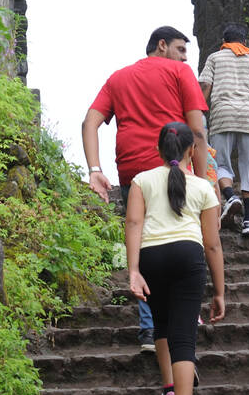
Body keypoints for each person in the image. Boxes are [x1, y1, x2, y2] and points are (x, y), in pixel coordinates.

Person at [83, 26, 210, 354]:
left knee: (144, 237)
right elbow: (196, 129)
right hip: (175, 168)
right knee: (182, 234)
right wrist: (203, 177)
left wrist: (95, 170)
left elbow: (89, 122)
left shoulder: (118, 78)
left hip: (133, 171)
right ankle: (181, 315)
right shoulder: (180, 73)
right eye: (181, 49)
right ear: (162, 45)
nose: (185, 57)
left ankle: (150, 327)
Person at [126, 122, 226, 395]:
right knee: (184, 339)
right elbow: (212, 243)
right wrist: (220, 291)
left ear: (158, 150)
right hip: (188, 256)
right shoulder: (203, 187)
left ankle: (168, 392)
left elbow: (133, 223)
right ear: (192, 151)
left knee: (161, 326)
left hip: (152, 257)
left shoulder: (141, 180)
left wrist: (133, 270)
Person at [199, 23, 249, 237]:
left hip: (222, 117)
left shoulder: (215, 58)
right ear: (244, 42)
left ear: (224, 43)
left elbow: (205, 86)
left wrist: (197, 113)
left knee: (220, 163)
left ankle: (230, 196)